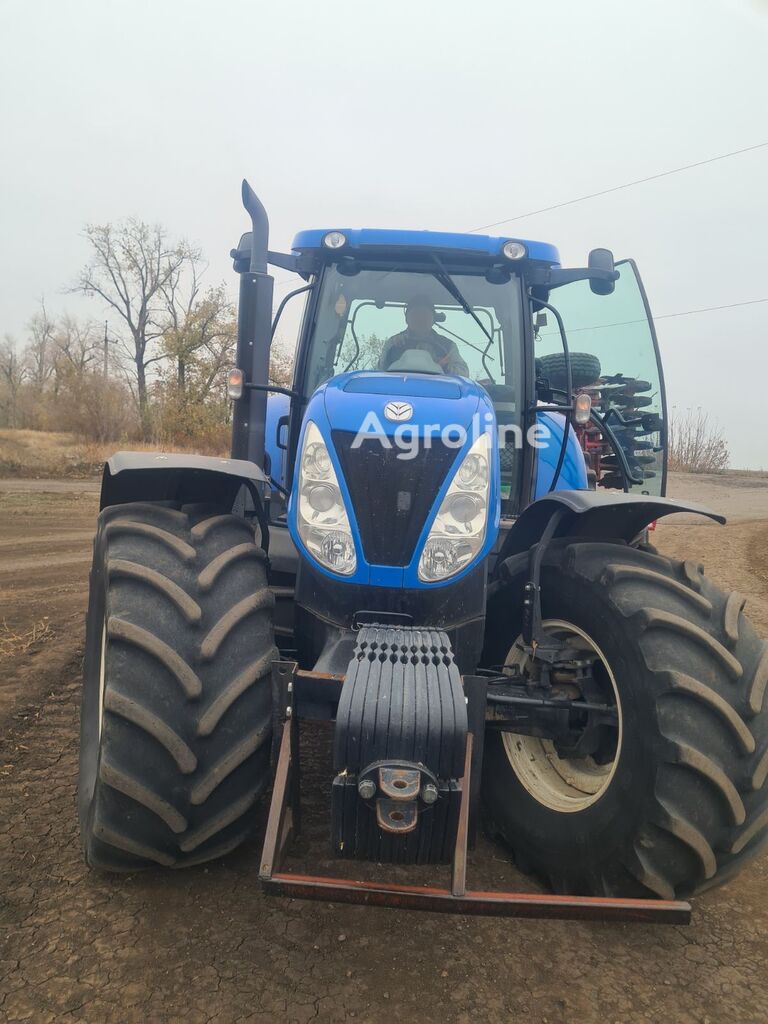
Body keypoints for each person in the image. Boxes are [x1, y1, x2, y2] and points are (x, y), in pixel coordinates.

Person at [378, 295, 469, 376]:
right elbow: (381, 370)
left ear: (433, 320)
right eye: (416, 314)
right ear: (407, 319)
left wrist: (446, 367)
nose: (420, 319)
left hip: (438, 392)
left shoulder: (448, 346)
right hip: (399, 390)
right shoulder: (393, 343)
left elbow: (464, 373)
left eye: (425, 315)